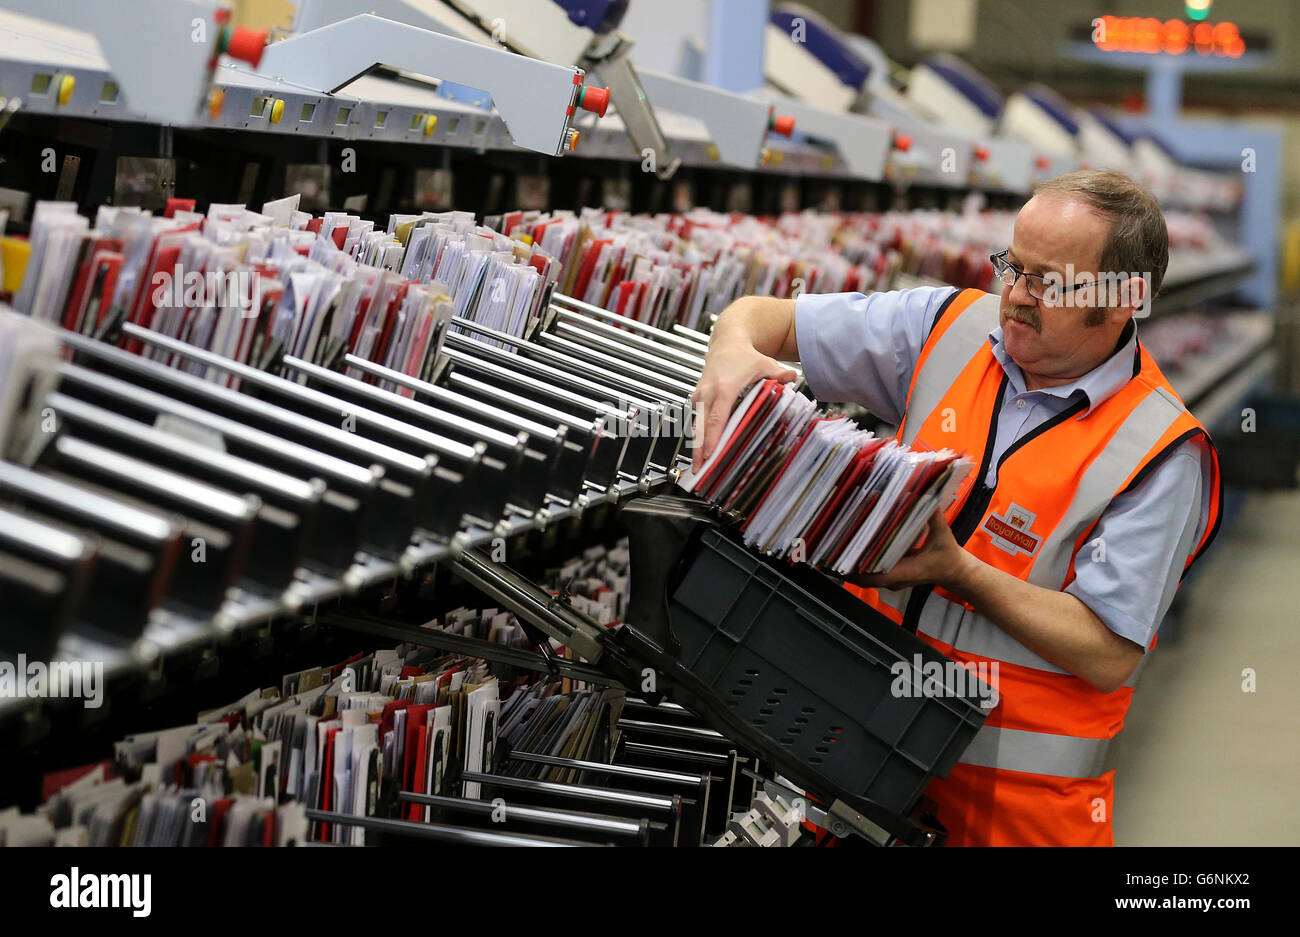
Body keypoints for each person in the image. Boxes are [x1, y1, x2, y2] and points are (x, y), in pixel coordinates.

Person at [689, 170, 1222, 846]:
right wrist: (732, 346)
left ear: (1123, 301)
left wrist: (959, 571)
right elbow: (770, 317)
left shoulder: (1161, 449)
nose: (1015, 298)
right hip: (857, 771)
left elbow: (1110, 649)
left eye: (1047, 282)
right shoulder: (946, 327)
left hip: (1013, 815)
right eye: (1012, 266)